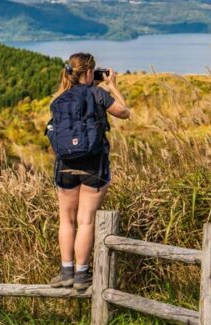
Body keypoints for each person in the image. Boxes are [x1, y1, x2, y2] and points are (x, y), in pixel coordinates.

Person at [48, 52, 130, 290]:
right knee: (86, 221)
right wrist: (112, 86)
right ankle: (82, 274)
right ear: (87, 73)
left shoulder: (58, 99)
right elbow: (125, 112)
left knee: (66, 219)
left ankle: (66, 271)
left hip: (65, 166)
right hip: (94, 164)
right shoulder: (98, 94)